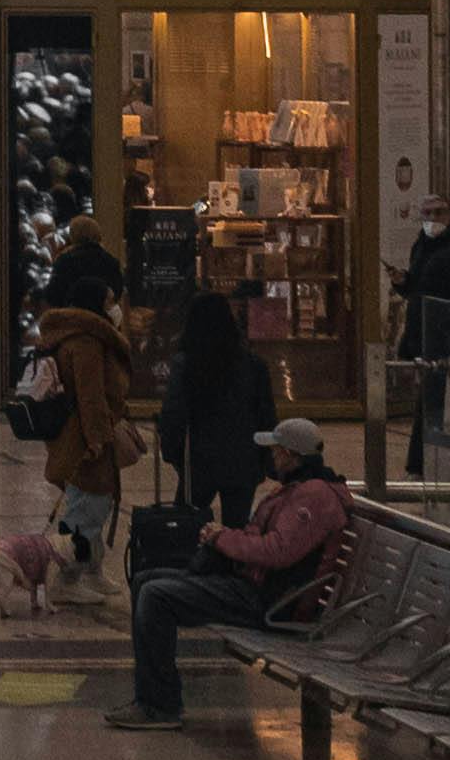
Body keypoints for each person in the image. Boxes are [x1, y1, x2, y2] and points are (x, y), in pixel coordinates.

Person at [127, 412, 358, 719]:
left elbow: (277, 551)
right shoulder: (297, 488)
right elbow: (261, 537)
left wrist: (222, 539)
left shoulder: (313, 497)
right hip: (257, 587)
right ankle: (150, 697)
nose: (272, 458)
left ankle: (159, 706)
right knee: (146, 580)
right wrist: (223, 536)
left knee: (156, 595)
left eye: (275, 451)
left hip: (273, 602)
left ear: (289, 455)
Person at [33, 275, 137, 594]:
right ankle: (67, 577)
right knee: (89, 506)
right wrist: (97, 439)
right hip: (85, 437)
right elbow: (90, 396)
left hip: (77, 433)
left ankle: (92, 569)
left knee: (91, 501)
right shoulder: (86, 341)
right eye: (110, 301)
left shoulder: (75, 335)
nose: (115, 307)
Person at [161, 284, 279, 523]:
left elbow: (174, 412)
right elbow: (266, 415)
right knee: (236, 528)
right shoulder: (254, 365)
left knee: (187, 525)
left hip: (198, 460)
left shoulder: (186, 365)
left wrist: (173, 452)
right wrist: (267, 458)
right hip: (243, 459)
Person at [393, 200, 450, 478]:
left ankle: (425, 465)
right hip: (425, 333)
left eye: (439, 212)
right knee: (429, 404)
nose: (433, 218)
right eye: (427, 213)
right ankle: (423, 464)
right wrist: (403, 282)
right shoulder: (422, 245)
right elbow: (419, 291)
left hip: (444, 339)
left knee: (437, 405)